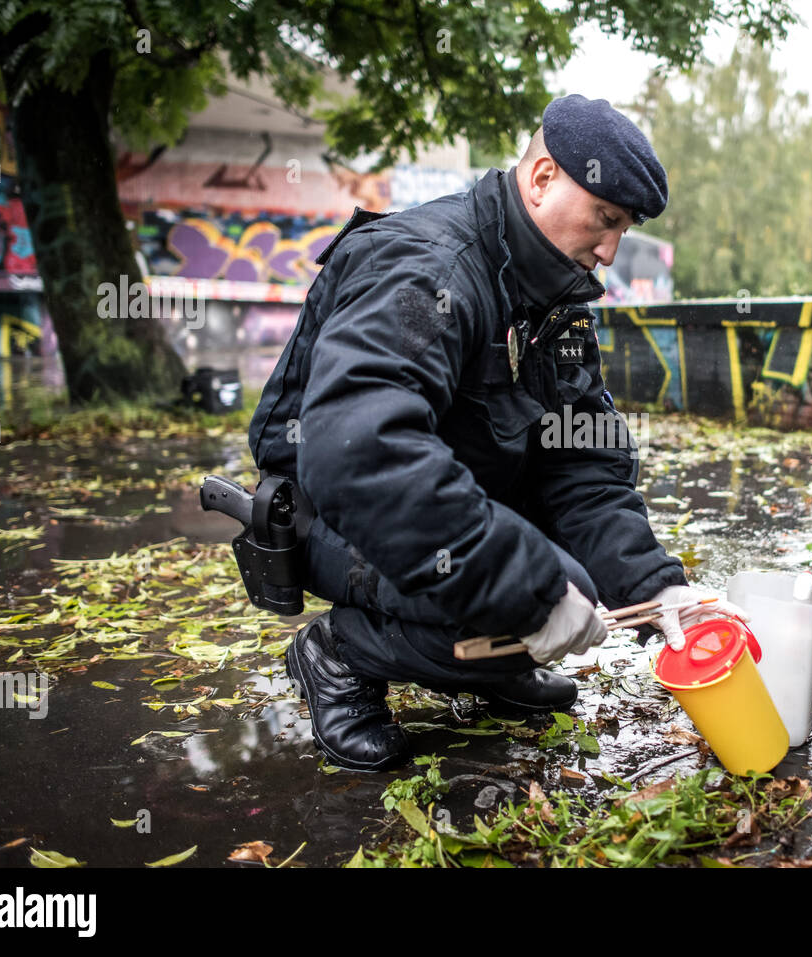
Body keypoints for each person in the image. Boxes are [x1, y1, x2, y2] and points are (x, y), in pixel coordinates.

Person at [247, 94, 744, 771]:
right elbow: (360, 453)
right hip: (333, 511)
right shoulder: (429, 270)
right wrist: (528, 591)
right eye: (605, 219)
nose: (610, 250)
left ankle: (491, 662)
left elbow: (583, 462)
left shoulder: (554, 298)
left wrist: (654, 588)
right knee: (527, 587)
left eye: (623, 228)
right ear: (541, 179)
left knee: (564, 579)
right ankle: (340, 653)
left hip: (441, 496)